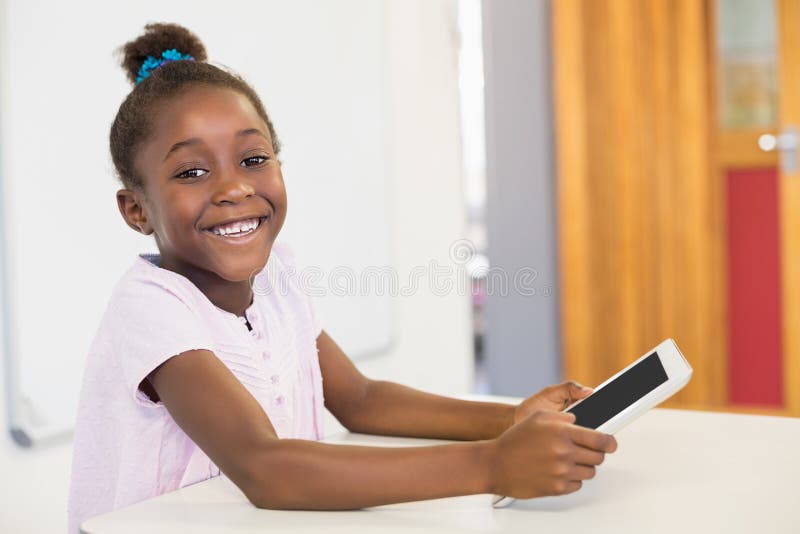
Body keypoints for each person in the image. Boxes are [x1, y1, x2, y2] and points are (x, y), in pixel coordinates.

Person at [67, 22, 617, 533]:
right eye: (192, 172)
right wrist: (493, 465)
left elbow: (361, 399)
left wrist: (510, 420)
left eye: (253, 158)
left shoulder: (277, 275)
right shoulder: (153, 308)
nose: (234, 189)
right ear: (136, 210)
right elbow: (266, 468)